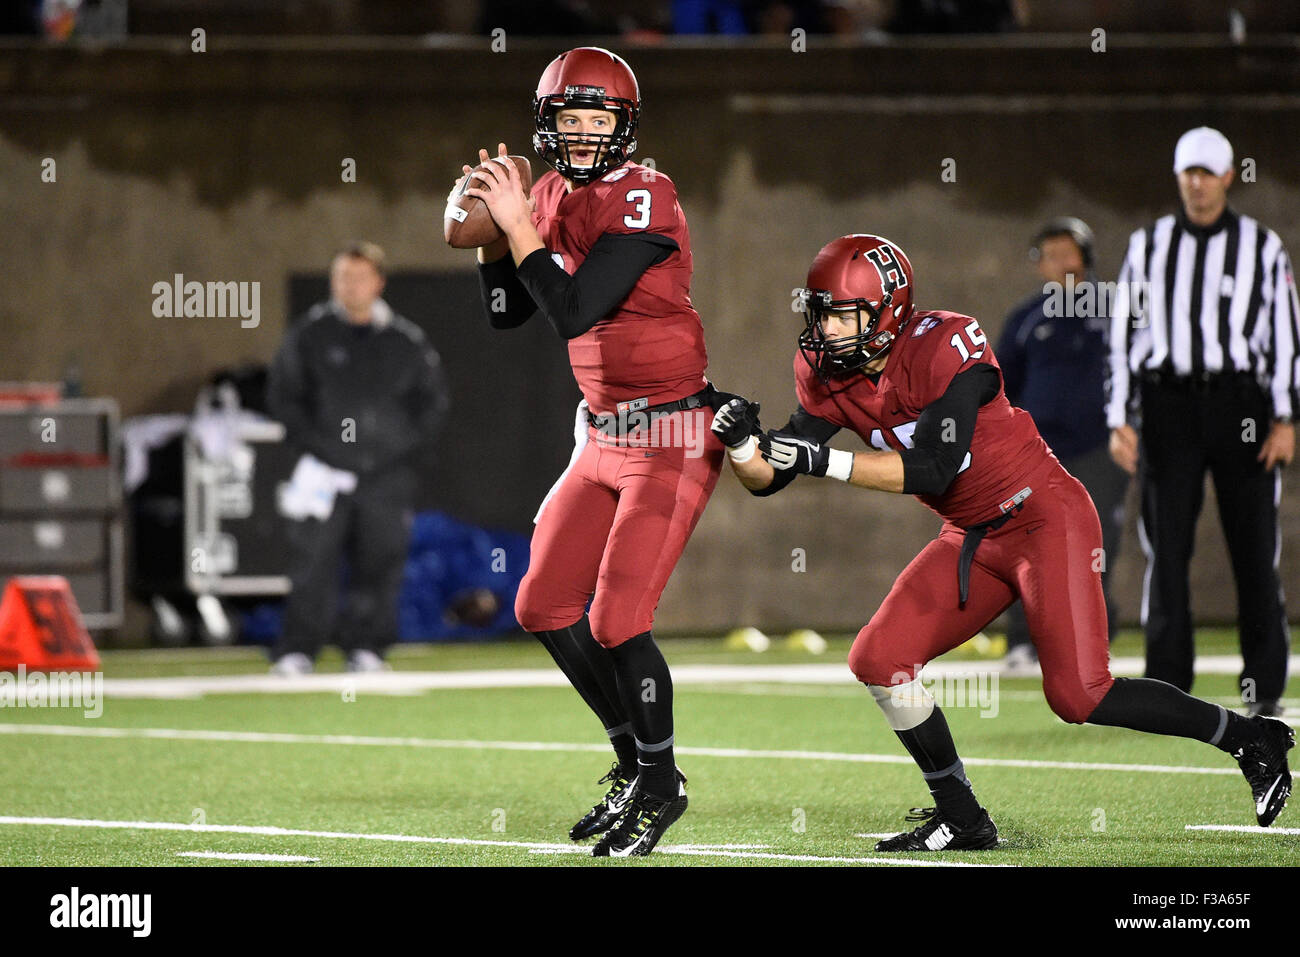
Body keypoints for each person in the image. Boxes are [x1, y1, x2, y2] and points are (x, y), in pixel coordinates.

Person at [712, 233, 1293, 850]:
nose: (827, 330)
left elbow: (935, 467)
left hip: (1044, 518)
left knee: (1079, 694)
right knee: (878, 658)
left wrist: (818, 461)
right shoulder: (829, 376)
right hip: (971, 535)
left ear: (886, 309)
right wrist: (744, 444)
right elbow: (768, 481)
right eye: (820, 314)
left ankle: (1248, 737)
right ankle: (962, 817)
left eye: (842, 315)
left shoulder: (945, 345)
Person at [461, 47, 728, 857]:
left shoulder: (648, 194)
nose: (582, 133)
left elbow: (576, 308)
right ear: (547, 125)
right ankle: (629, 759)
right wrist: (487, 238)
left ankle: (663, 778)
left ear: (625, 125)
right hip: (603, 433)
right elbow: (510, 312)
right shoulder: (543, 193)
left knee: (617, 619)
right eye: (569, 119)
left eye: (597, 118)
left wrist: (514, 227)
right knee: (541, 602)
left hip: (672, 434)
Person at [1108, 127, 1298, 718]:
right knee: (1165, 548)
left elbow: (1287, 334)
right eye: (1187, 172)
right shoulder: (1149, 244)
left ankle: (1263, 687)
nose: (1196, 183)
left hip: (1241, 407)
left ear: (1227, 176)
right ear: (1178, 177)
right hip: (1167, 406)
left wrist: (1287, 415)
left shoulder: (1262, 248)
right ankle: (1168, 688)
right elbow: (1123, 333)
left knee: (1254, 545)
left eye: (1206, 172)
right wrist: (1120, 415)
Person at [266, 241, 449, 675]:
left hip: (385, 475)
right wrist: (322, 449)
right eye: (343, 277)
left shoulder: (405, 340)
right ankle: (299, 650)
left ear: (379, 283)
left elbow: (433, 404)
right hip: (325, 472)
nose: (350, 286)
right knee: (312, 562)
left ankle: (367, 648)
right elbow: (284, 399)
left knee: (381, 560)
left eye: (360, 277)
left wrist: (395, 452)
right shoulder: (309, 336)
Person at [996, 217, 1129, 674]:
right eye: (1048, 254)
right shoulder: (1025, 318)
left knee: (1097, 544)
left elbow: (1144, 368)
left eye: (1067, 251)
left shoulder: (1117, 307)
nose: (1059, 262)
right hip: (1038, 453)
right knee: (1028, 543)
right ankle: (1022, 643)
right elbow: (1000, 386)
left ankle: (1092, 642)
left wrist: (1132, 426)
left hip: (1099, 448)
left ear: (1086, 257)